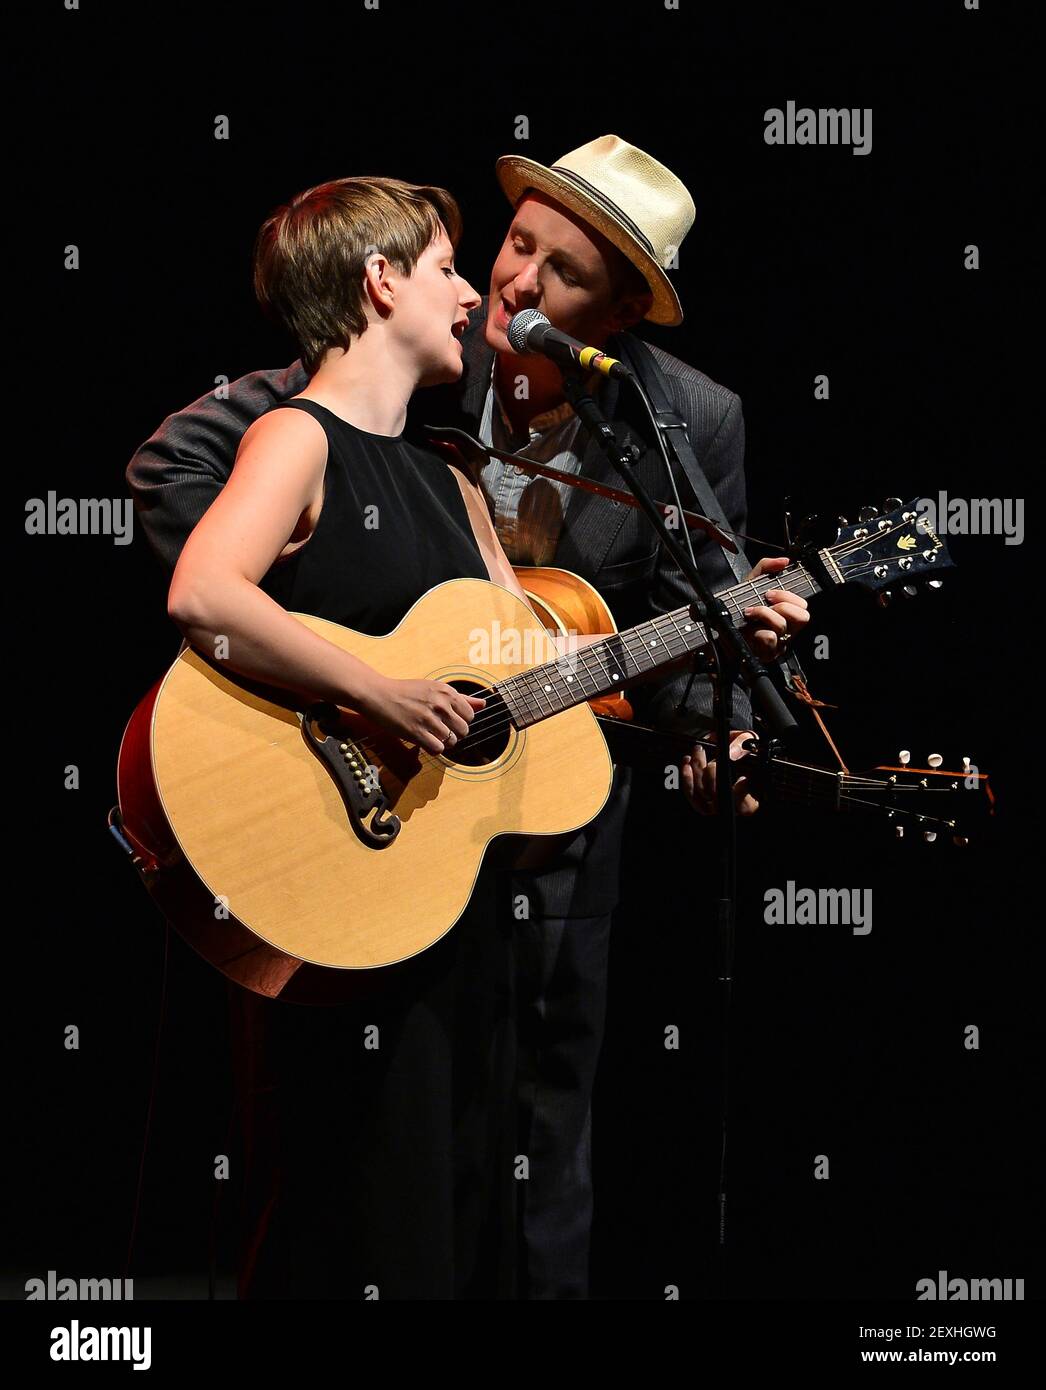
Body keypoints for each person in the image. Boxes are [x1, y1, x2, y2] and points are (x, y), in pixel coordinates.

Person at [127, 136, 809, 1299]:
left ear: (618, 312)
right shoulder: (326, 410)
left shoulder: (674, 421)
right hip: (346, 793)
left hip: (531, 811)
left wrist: (712, 676)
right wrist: (340, 650)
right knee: (341, 1148)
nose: (510, 284)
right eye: (509, 247)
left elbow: (613, 625)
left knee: (522, 1129)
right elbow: (203, 550)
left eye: (563, 272)